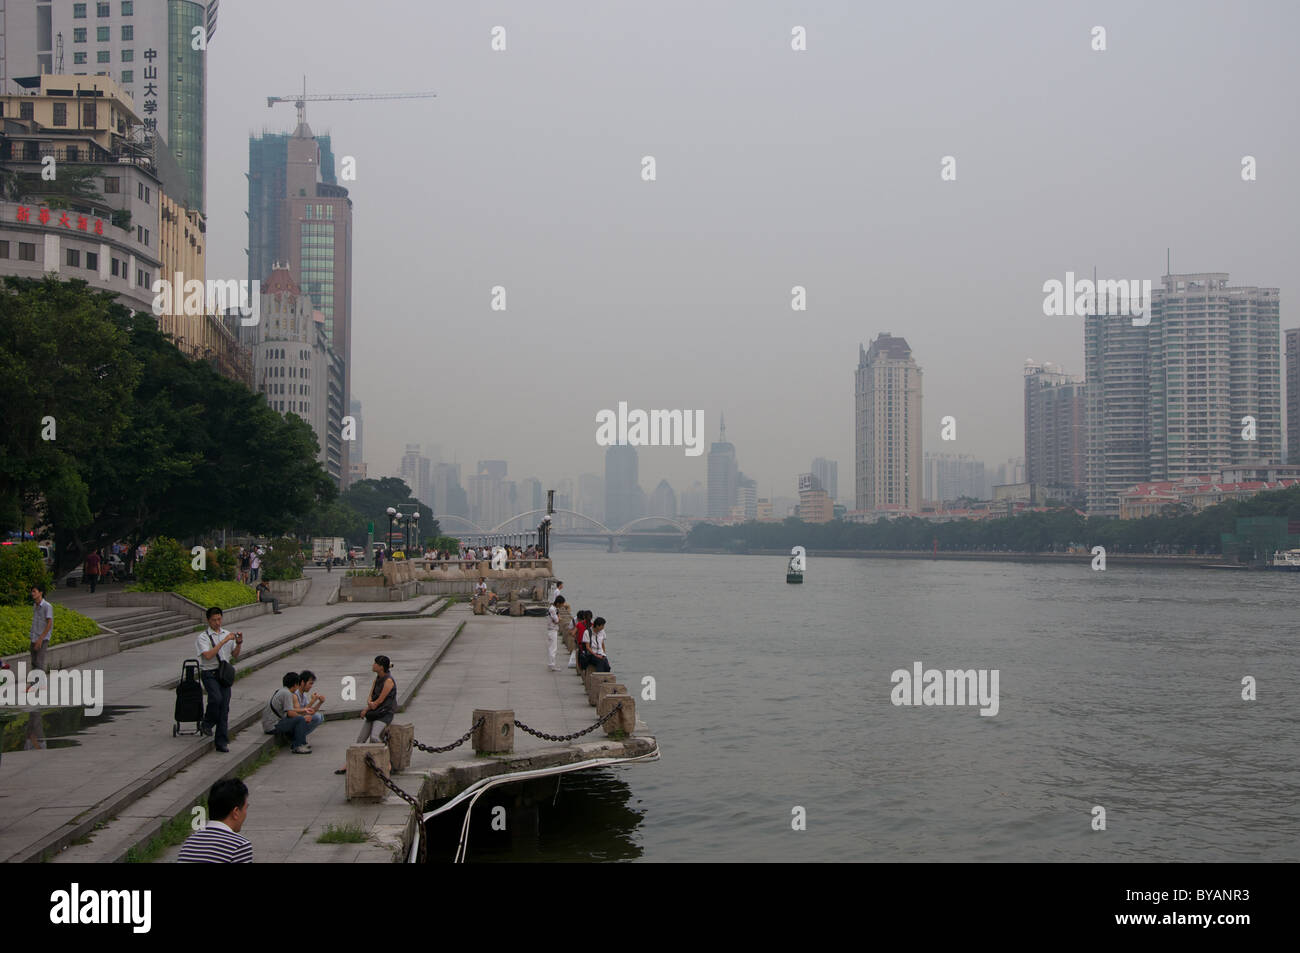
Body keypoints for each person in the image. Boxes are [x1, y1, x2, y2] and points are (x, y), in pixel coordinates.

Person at [335, 657, 397, 775]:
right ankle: (349, 763)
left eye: (375, 663)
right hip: (374, 712)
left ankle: (387, 761)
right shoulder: (377, 678)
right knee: (360, 739)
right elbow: (371, 696)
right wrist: (367, 707)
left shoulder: (388, 680)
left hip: (384, 713)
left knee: (374, 737)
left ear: (381, 667)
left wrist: (373, 704)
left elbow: (380, 700)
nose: (373, 665)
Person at [197, 607, 243, 752]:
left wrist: (239, 643)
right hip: (209, 673)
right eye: (214, 620)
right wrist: (222, 642)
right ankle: (207, 722)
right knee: (216, 699)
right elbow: (208, 655)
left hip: (224, 673)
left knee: (224, 707)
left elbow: (235, 655)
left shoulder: (227, 634)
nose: (217, 622)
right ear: (208, 620)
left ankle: (221, 741)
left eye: (219, 619)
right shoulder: (203, 637)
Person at [176, 778, 252, 863]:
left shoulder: (190, 843)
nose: (245, 813)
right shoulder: (240, 846)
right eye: (246, 808)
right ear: (236, 812)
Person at [261, 672, 314, 753]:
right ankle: (298, 746)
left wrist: (303, 711)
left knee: (297, 719)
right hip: (272, 726)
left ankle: (301, 742)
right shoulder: (287, 694)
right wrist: (303, 717)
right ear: (296, 684)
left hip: (269, 723)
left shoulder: (282, 691)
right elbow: (290, 713)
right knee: (299, 720)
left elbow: (290, 710)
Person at [29, 585, 53, 672]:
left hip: (42, 639)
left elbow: (49, 623)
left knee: (39, 663)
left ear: (41, 593)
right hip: (34, 637)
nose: (32, 594)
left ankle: (35, 684)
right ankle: (36, 683)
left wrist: (40, 639)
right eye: (32, 591)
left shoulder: (47, 606)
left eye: (34, 591)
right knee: (34, 662)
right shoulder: (35, 605)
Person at [296, 669, 325, 735]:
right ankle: (297, 736)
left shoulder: (303, 694)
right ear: (303, 682)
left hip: (298, 719)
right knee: (317, 717)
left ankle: (299, 735)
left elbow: (311, 711)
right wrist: (312, 701)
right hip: (293, 720)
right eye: (310, 683)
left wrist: (320, 702)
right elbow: (300, 712)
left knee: (320, 717)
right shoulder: (295, 694)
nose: (311, 686)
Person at [546, 595, 564, 671]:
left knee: (552, 648)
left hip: (553, 630)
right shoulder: (553, 609)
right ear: (558, 603)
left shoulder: (554, 609)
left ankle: (552, 663)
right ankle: (551, 664)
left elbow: (557, 619)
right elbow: (557, 620)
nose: (562, 605)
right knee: (553, 648)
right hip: (552, 630)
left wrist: (558, 618)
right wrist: (558, 618)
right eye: (561, 604)